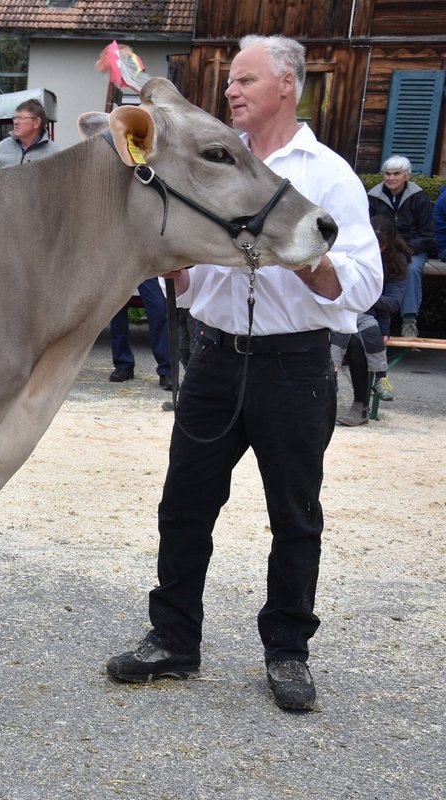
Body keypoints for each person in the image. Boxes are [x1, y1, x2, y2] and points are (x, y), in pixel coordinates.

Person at [105, 35, 382, 711]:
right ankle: (173, 639)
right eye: (230, 80)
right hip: (215, 359)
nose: (231, 90)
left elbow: (366, 281)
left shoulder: (328, 174)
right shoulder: (213, 160)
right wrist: (179, 272)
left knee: (295, 516)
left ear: (288, 84)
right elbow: (199, 283)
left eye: (246, 79)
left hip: (295, 366)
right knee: (184, 505)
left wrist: (309, 259)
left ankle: (288, 652)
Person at [333, 215, 409, 425]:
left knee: (358, 341)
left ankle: (361, 404)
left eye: (381, 245)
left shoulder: (396, 262)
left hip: (371, 318)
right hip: (340, 312)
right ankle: (332, 382)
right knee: (344, 334)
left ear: (389, 243)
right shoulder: (350, 252)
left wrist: (363, 295)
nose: (377, 248)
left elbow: (393, 302)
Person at [367, 155, 434, 338]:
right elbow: (365, 227)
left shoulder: (419, 197)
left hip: (413, 249)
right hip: (379, 248)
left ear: (407, 176)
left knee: (410, 269)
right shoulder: (372, 196)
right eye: (387, 173)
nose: (391, 178)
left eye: (396, 173)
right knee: (370, 268)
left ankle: (409, 321)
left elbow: (427, 234)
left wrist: (407, 251)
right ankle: (368, 319)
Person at [108, 279, 173, 390]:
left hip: (148, 270)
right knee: (117, 314)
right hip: (121, 270)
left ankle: (166, 371)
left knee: (159, 310)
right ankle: (123, 364)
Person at [0, 99, 60, 168]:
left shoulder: (53, 152)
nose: (15, 122)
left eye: (21, 118)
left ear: (36, 122)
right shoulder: (2, 146)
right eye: (15, 118)